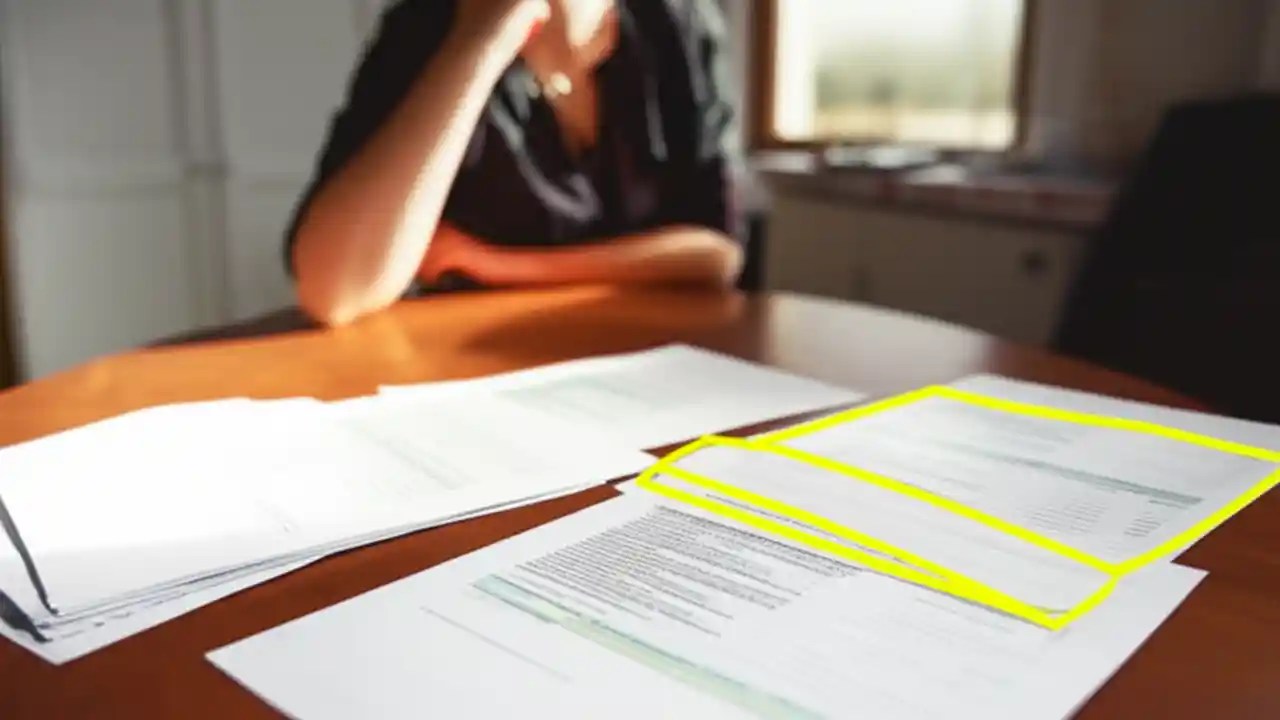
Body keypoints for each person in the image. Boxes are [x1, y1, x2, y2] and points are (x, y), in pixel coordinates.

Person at [288, 0, 744, 326]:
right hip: (464, 372)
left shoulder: (675, 25)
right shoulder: (427, 28)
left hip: (649, 356)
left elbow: (715, 256)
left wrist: (494, 265)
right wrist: (479, 43)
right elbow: (337, 290)